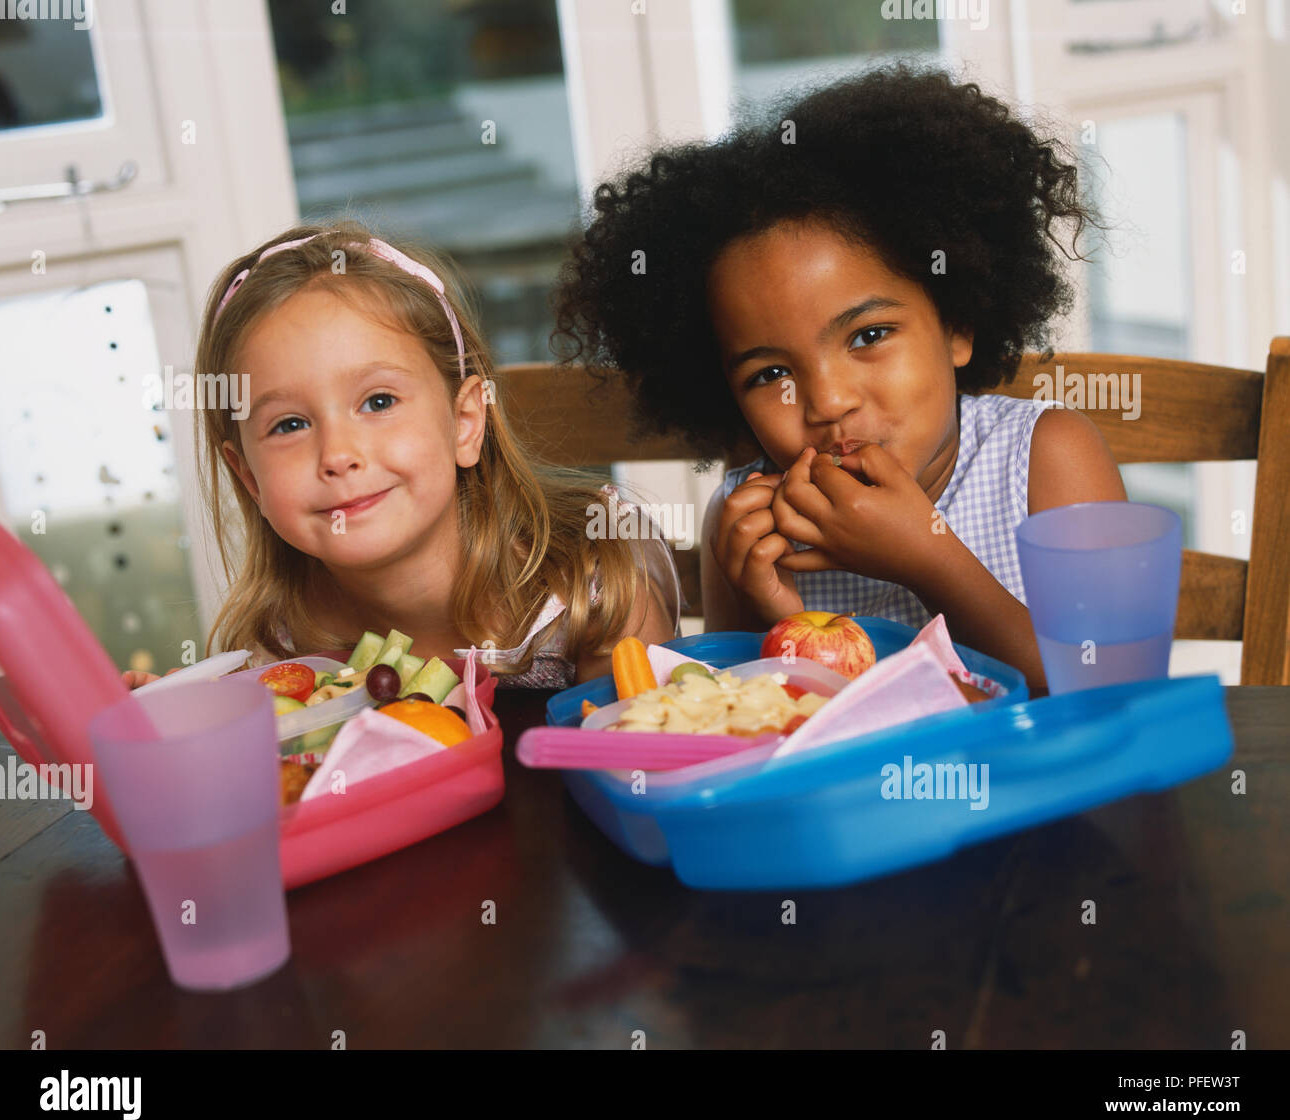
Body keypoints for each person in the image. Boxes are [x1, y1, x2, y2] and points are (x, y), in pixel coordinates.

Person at [553, 64, 1129, 692]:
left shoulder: (1045, 459)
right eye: (771, 373)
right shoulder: (747, 527)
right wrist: (782, 620)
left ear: (958, 324)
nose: (826, 401)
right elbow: (758, 734)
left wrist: (929, 556)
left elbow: (1108, 686)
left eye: (869, 336)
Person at [123, 220, 680, 691]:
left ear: (464, 422)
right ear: (249, 479)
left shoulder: (592, 585)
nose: (338, 455)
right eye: (290, 424)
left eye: (379, 401)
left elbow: (638, 756)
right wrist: (197, 736)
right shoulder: (279, 648)